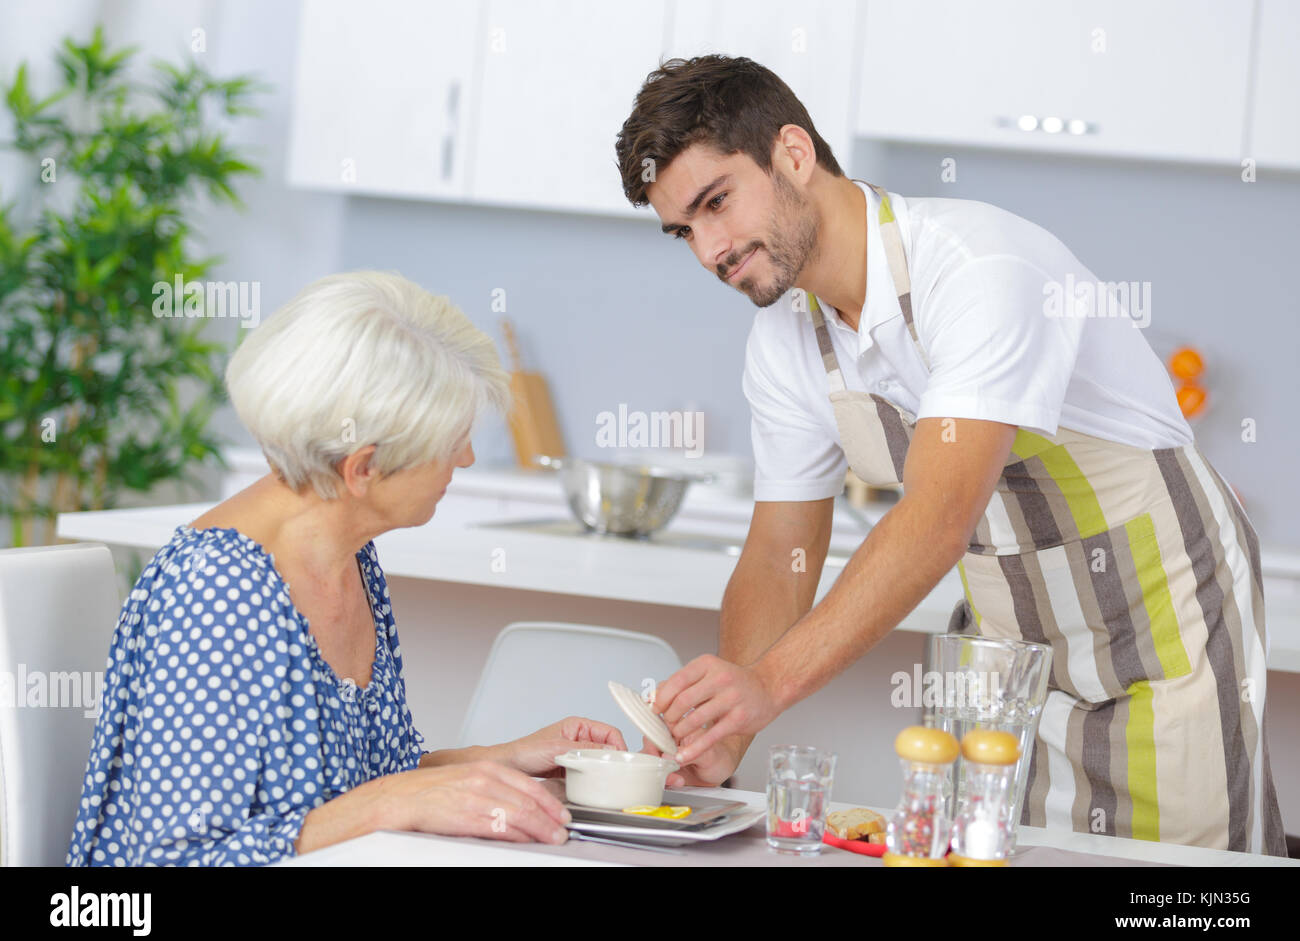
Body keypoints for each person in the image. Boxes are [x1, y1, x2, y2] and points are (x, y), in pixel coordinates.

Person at [615, 55, 1286, 855]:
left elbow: (936, 519)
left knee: (1172, 888)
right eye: (683, 230)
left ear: (793, 153)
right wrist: (725, 731)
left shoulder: (975, 269)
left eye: (716, 203)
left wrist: (768, 685)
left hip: (1159, 622)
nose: (709, 251)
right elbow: (778, 552)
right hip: (1013, 650)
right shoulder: (786, 339)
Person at [67, 271, 625, 866]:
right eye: (453, 441)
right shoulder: (215, 591)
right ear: (362, 470)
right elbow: (174, 862)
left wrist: (502, 757)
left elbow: (367, 782)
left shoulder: (350, 555)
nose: (464, 457)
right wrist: (391, 800)